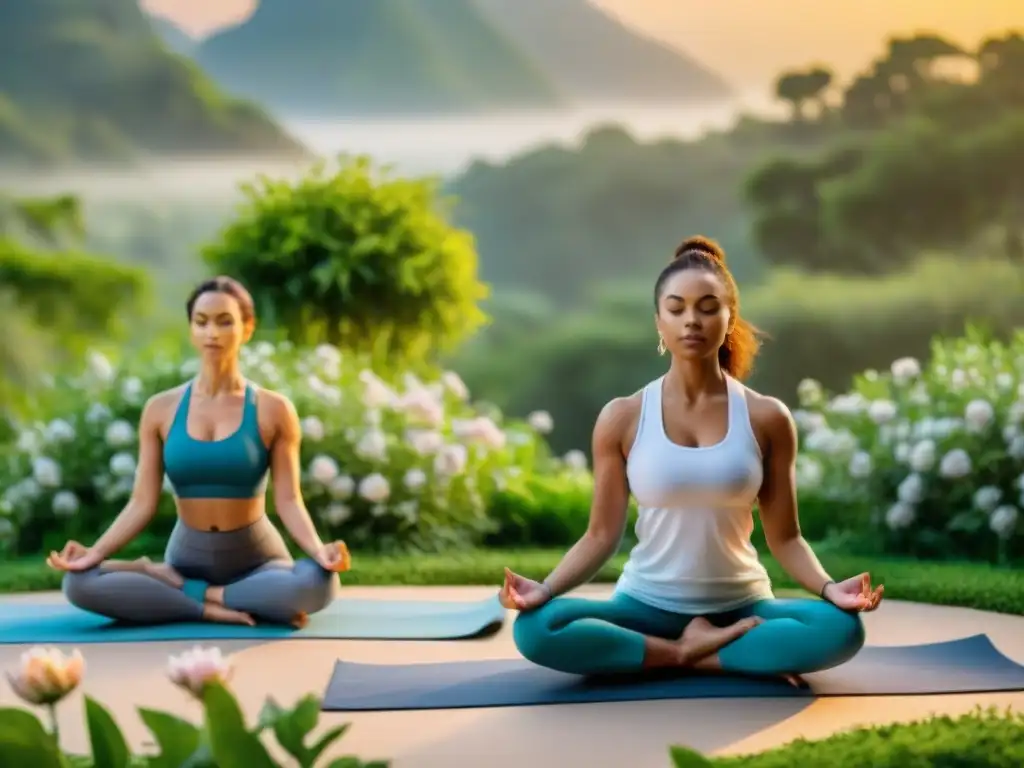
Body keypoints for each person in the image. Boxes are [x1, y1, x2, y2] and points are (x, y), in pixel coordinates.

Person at [499, 236, 884, 685]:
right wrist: (543, 590)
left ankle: (670, 654)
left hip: (742, 605)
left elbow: (787, 539)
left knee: (839, 629)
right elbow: (601, 535)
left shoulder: (766, 417)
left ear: (729, 317)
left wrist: (827, 588)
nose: (691, 321)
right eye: (676, 308)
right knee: (537, 628)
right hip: (645, 604)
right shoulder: (622, 417)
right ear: (658, 322)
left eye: (707, 307)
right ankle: (688, 651)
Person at [46, 276, 350, 627]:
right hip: (186, 557)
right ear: (191, 329)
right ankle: (208, 606)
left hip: (257, 559)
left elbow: (289, 500)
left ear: (247, 328)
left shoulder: (273, 409)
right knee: (78, 583)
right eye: (201, 322)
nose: (212, 333)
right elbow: (142, 502)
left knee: (319, 584)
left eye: (225, 322)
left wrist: (318, 551)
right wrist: (95, 554)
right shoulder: (160, 409)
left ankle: (195, 593)